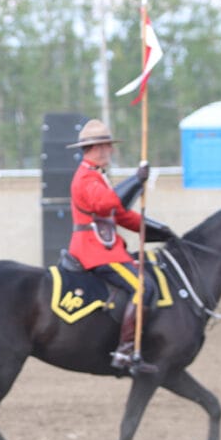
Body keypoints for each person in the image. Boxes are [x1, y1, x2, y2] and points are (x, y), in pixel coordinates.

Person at [66, 119, 174, 375]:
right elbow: (106, 204)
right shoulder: (85, 178)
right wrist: (136, 180)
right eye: (104, 146)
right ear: (92, 148)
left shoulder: (98, 177)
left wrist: (157, 230)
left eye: (109, 146)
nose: (109, 151)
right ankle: (125, 351)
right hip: (94, 251)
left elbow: (119, 214)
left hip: (106, 248)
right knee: (143, 286)